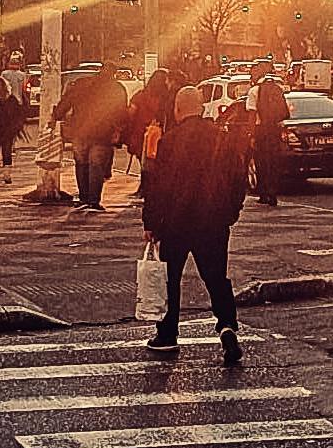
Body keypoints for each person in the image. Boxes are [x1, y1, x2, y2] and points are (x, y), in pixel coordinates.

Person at [140, 84, 248, 362]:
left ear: (178, 110)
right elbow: (239, 178)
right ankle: (227, 327)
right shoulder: (219, 137)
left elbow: (157, 186)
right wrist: (232, 210)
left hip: (175, 222)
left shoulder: (169, 141)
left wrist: (150, 221)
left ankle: (167, 334)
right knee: (216, 278)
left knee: (170, 279)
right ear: (201, 108)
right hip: (213, 221)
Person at [53, 65, 128, 209]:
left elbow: (67, 101)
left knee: (81, 164)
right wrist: (119, 131)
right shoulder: (116, 89)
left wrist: (57, 115)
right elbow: (121, 112)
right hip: (103, 133)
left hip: (80, 131)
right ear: (114, 74)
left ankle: (83, 197)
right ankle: (93, 200)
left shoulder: (82, 83)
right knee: (96, 166)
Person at [253, 64, 290, 209]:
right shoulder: (276, 88)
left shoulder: (255, 90)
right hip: (275, 129)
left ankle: (263, 194)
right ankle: (273, 193)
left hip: (261, 130)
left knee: (261, 162)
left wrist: (251, 135)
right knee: (273, 162)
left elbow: (251, 114)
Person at [126, 68, 173, 178]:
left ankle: (144, 185)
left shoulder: (141, 95)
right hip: (159, 134)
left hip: (141, 133)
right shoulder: (166, 98)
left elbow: (131, 112)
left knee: (144, 162)